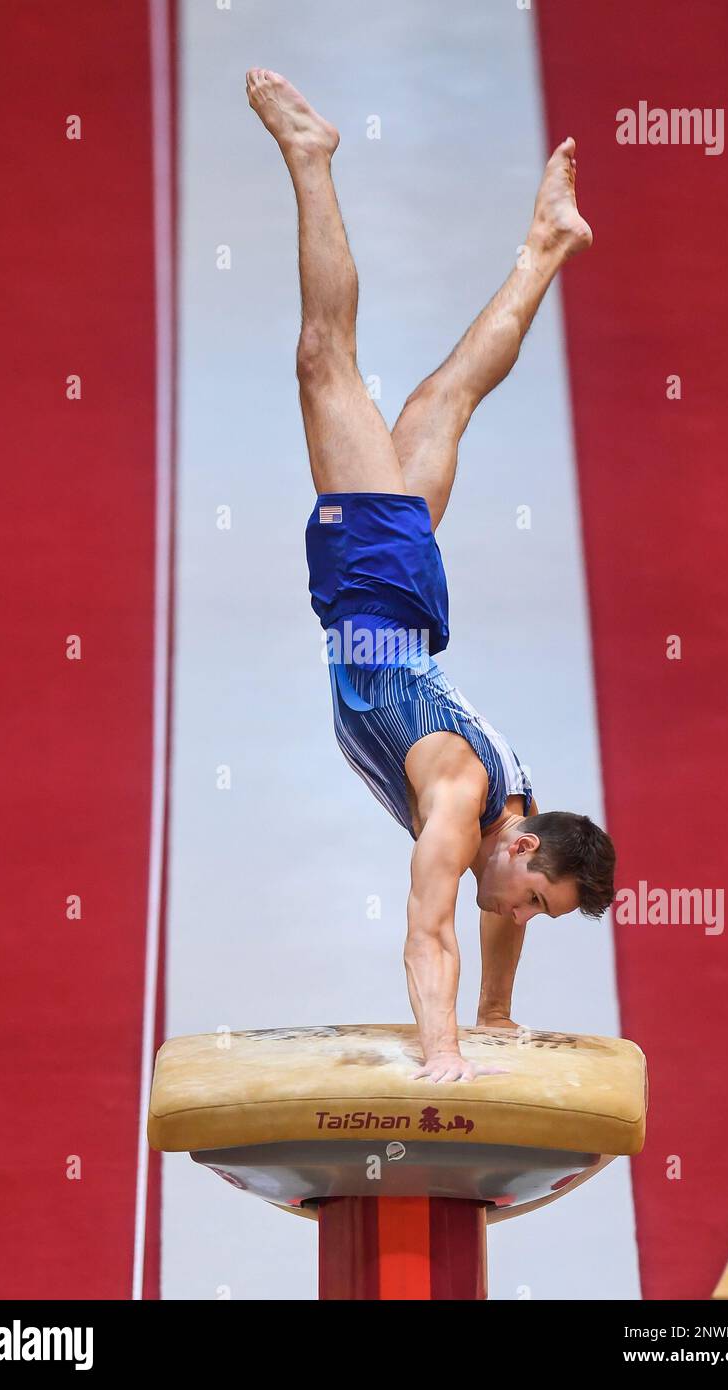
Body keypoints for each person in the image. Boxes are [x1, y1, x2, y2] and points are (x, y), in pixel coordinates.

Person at [247, 69, 615, 1083]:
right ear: (521, 846)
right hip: (373, 592)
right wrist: (446, 1047)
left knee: (444, 397)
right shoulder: (461, 798)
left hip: (405, 599)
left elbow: (499, 914)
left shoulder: (516, 806)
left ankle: (547, 245)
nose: (516, 913)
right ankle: (310, 158)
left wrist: (500, 1007)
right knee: (324, 357)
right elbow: (432, 932)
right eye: (532, 898)